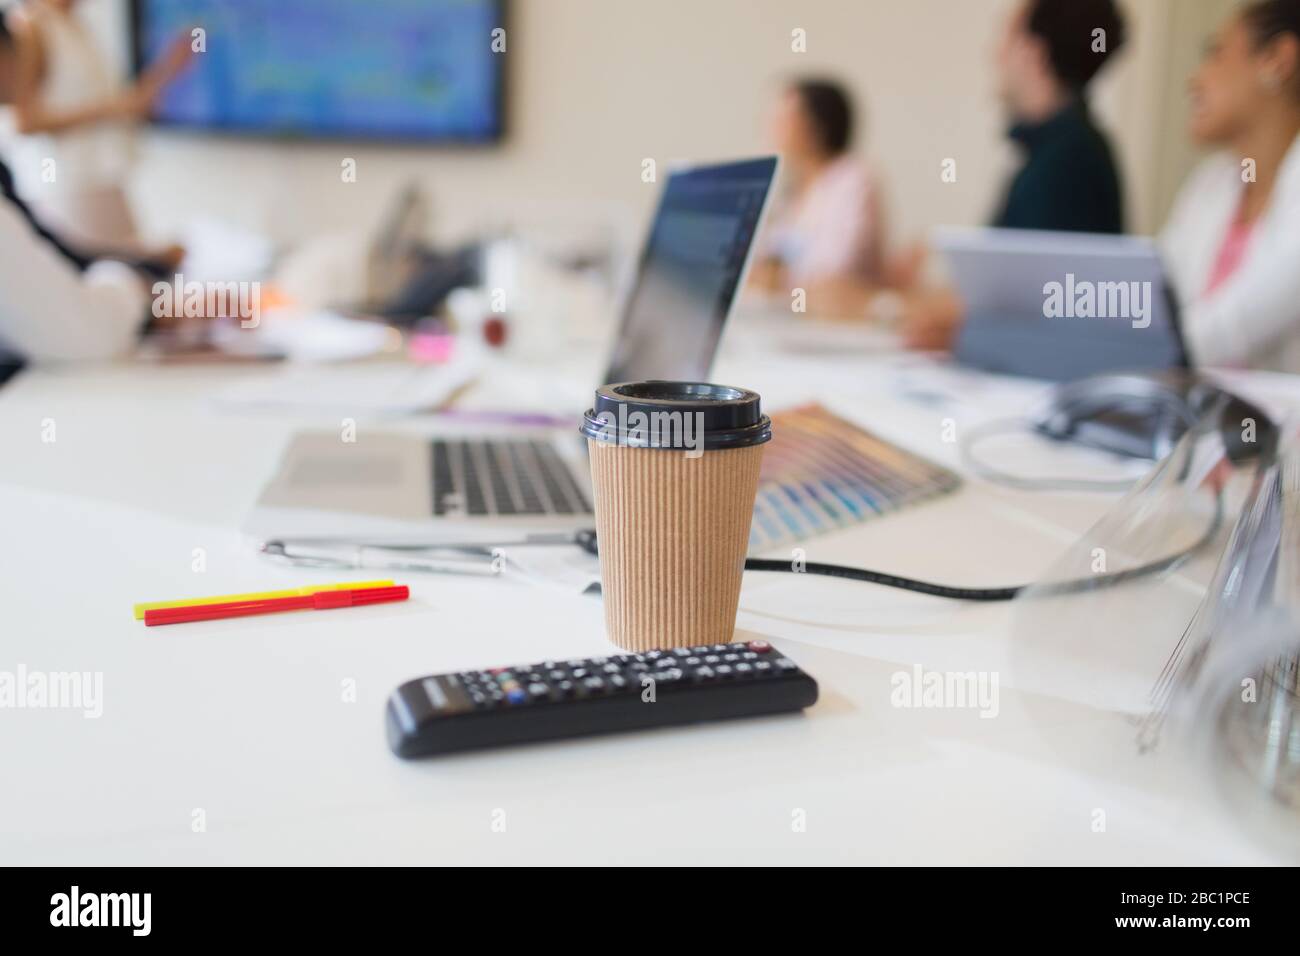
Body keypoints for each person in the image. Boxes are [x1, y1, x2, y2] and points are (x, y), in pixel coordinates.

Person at [0, 18, 157, 371]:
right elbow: (80, 334)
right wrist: (132, 282)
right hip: (74, 186)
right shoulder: (35, 26)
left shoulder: (83, 28)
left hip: (103, 182)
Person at [1160, 0, 1300, 372]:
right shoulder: (1211, 183)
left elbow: (1229, 327)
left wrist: (1122, 351)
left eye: (1216, 54)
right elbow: (1158, 297)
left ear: (1277, 61)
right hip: (1198, 415)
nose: (1195, 80)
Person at [5, 0, 190, 248]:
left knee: (139, 269)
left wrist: (166, 69)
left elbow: (126, 103)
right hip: (68, 183)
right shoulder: (32, 25)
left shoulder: (76, 25)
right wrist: (113, 109)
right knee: (125, 271)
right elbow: (26, 121)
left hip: (101, 175)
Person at [991, 0, 1128, 234]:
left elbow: (1026, 270)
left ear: (1036, 54)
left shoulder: (1066, 165)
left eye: (1008, 36)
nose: (996, 53)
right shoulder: (1065, 151)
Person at [748, 78, 887, 296]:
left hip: (836, 321)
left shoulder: (853, 180)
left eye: (785, 119)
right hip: (793, 310)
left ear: (818, 127)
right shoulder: (792, 188)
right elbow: (763, 259)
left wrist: (776, 276)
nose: (772, 129)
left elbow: (833, 272)